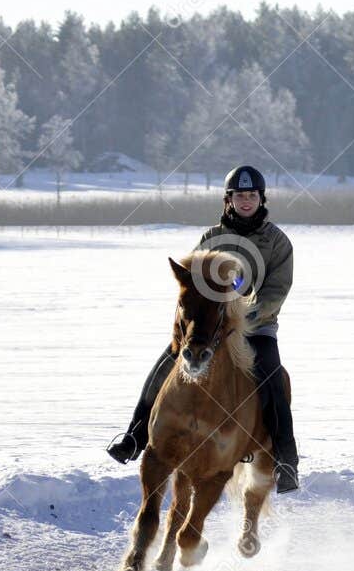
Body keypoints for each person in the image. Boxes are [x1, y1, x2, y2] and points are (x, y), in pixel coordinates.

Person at [106, 164, 300, 493]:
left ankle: (286, 460)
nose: (246, 201)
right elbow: (193, 284)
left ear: (261, 198)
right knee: (164, 366)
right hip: (210, 330)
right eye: (240, 196)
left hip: (257, 330)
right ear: (229, 200)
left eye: (252, 195)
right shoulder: (211, 238)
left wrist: (241, 318)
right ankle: (134, 436)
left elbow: (276, 292)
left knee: (273, 380)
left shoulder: (278, 243)